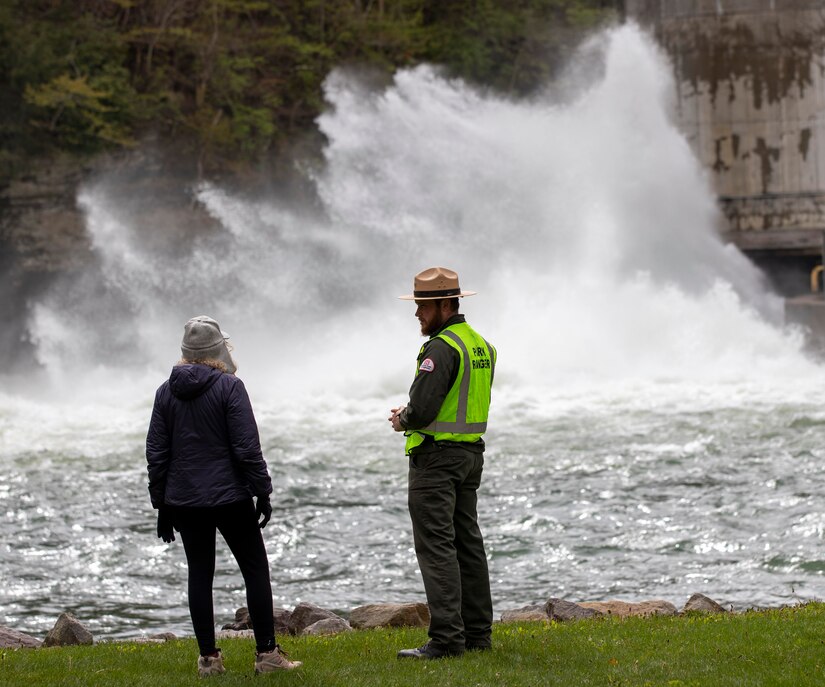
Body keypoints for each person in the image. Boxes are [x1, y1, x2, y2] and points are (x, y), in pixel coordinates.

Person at [146, 315, 301, 677]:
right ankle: (267, 655)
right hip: (230, 497)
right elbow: (247, 448)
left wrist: (162, 504)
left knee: (200, 575)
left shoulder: (165, 392)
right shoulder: (230, 387)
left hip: (185, 500)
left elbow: (157, 454)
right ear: (219, 350)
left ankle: (208, 661)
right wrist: (262, 491)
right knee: (255, 569)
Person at [389, 267, 497, 659]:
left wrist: (402, 418)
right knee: (468, 545)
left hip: (436, 460)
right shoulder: (482, 345)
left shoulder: (440, 348)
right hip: (470, 457)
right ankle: (478, 635)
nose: (417, 312)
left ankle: (447, 639)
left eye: (423, 305)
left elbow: (423, 409)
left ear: (445, 304)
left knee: (437, 548)